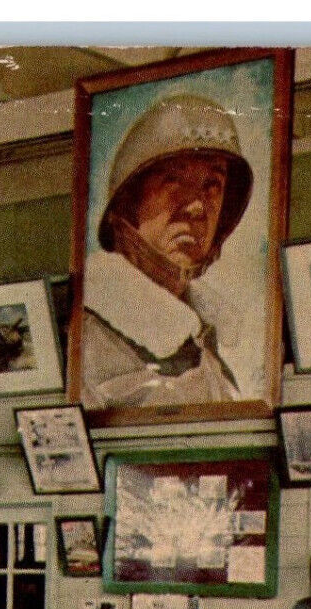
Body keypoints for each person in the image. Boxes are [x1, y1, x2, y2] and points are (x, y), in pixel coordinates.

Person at [80, 94, 256, 410]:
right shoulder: (88, 332)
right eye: (174, 180)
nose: (197, 206)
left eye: (212, 185)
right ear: (129, 202)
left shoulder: (213, 342)